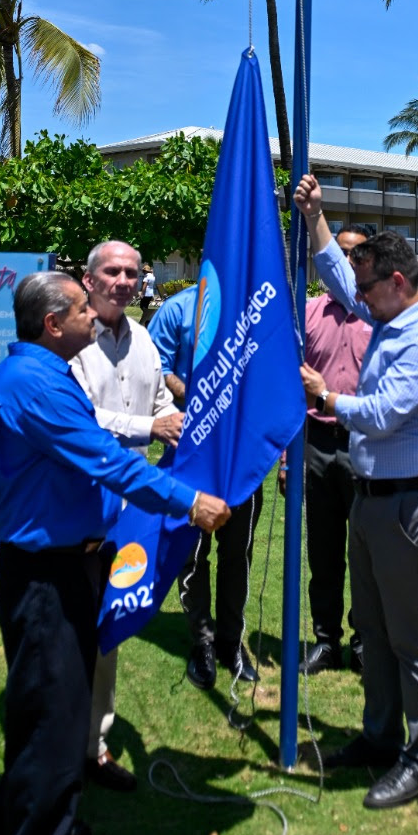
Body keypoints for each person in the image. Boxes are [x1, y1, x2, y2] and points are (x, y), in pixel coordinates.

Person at [0, 270, 229, 835]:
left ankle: (20, 832)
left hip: (63, 566)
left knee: (46, 713)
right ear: (53, 322)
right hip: (45, 575)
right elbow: (106, 460)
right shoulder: (35, 383)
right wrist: (188, 501)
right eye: (84, 307)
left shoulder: (42, 371)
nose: (97, 314)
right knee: (55, 724)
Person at [294, 173, 418, 811]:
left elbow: (384, 413)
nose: (355, 299)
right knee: (378, 631)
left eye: (368, 288)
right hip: (373, 501)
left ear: (397, 283)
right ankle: (379, 736)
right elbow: (337, 275)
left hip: (410, 504)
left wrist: (326, 397)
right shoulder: (388, 316)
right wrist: (316, 219)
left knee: (416, 639)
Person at [70, 241, 183, 793]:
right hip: (76, 506)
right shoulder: (67, 339)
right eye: (111, 271)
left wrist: (178, 418)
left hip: (129, 507)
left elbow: (158, 399)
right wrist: (148, 429)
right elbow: (77, 418)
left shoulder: (143, 339)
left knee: (109, 627)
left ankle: (94, 746)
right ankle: (61, 743)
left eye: (131, 273)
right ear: (88, 280)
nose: (122, 280)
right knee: (71, 629)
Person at [147, 283, 261, 689]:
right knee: (191, 554)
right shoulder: (176, 311)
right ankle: (203, 640)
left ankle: (232, 642)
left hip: (239, 456)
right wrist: (199, 396)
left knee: (238, 553)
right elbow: (156, 370)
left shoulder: (251, 312)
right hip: (190, 454)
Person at [301, 224, 371, 675]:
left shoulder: (376, 313)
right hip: (317, 445)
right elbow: (293, 386)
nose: (346, 261)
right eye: (339, 253)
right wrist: (291, 460)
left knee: (365, 552)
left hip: (366, 446)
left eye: (355, 255)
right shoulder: (307, 313)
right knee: (323, 552)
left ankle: (365, 640)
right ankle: (326, 640)